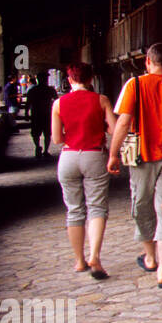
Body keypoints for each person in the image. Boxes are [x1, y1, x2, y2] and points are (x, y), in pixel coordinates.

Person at [106, 43, 162, 288]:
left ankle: (151, 257)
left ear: (147, 62)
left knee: (141, 205)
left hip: (141, 158)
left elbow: (123, 123)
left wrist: (113, 154)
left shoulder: (134, 85)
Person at [52, 63, 116, 279]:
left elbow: (57, 139)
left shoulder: (58, 104)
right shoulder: (101, 100)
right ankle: (94, 256)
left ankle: (79, 261)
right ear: (91, 80)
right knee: (97, 208)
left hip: (68, 156)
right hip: (93, 155)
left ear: (69, 80)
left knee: (74, 210)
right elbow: (114, 129)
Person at [24, 71, 56, 157]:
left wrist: (26, 113)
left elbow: (28, 103)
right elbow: (57, 102)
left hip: (36, 114)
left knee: (36, 133)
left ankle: (38, 147)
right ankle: (45, 150)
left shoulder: (33, 90)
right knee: (47, 134)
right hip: (46, 114)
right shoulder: (50, 90)